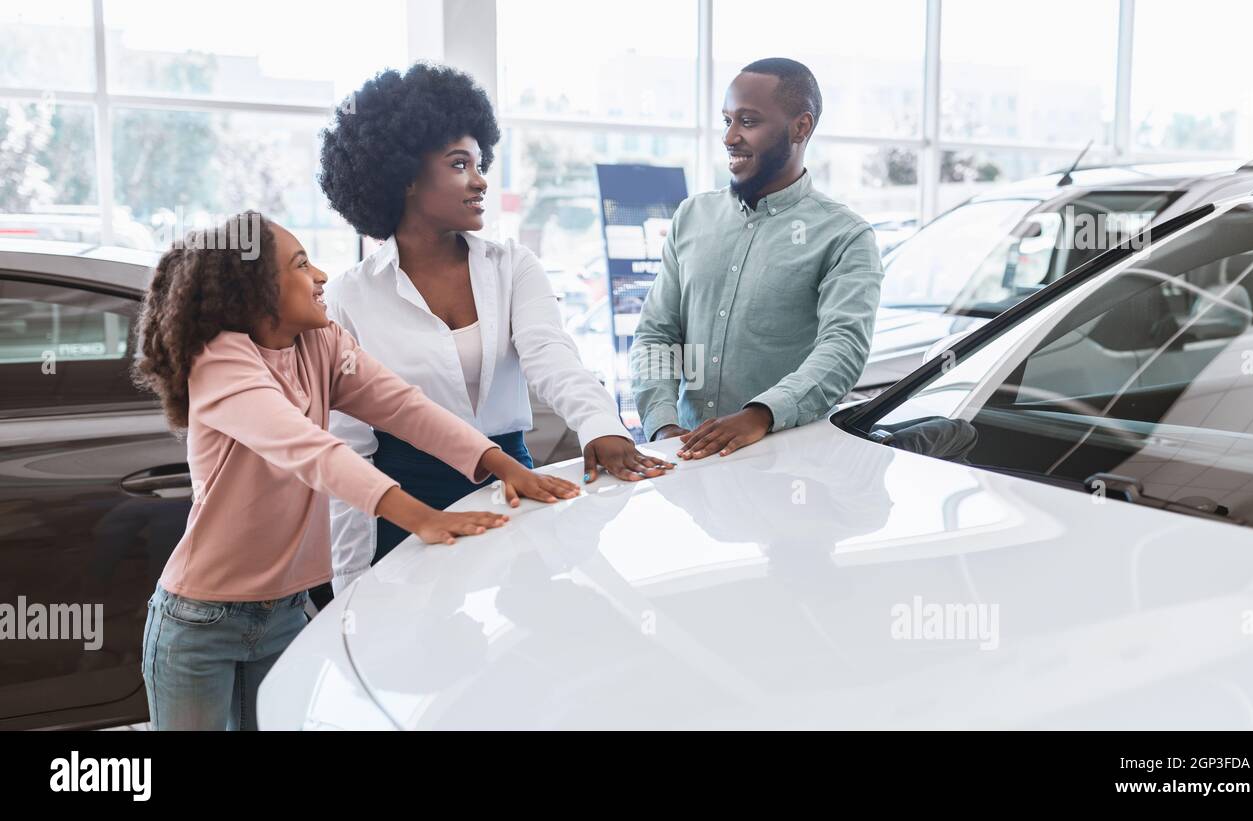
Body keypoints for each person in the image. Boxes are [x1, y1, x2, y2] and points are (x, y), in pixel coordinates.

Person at [132, 213, 578, 730]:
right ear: (254, 294)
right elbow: (311, 449)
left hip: (284, 614)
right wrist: (420, 517)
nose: (322, 275)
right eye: (301, 265)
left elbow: (404, 406)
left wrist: (500, 465)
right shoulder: (221, 361)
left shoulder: (322, 344)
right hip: (201, 621)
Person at [318, 64, 673, 593]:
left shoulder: (512, 266)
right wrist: (347, 579)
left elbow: (551, 355)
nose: (480, 180)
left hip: (514, 485)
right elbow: (347, 450)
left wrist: (602, 426)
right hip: (405, 506)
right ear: (406, 177)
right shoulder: (351, 294)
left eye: (479, 163)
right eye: (460, 164)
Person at [631, 58, 883, 459]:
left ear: (801, 127)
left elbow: (842, 347)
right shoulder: (692, 217)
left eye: (748, 122)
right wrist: (662, 425)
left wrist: (762, 414)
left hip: (788, 466)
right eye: (727, 120)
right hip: (685, 462)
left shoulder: (845, 236)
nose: (730, 137)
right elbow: (657, 335)